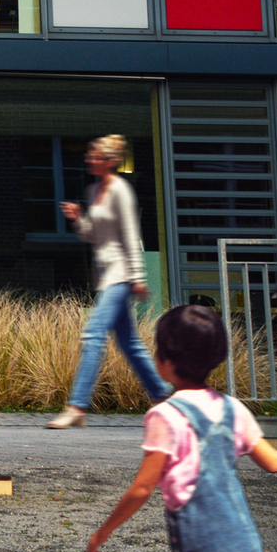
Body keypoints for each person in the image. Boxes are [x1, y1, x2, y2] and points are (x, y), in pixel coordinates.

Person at [87, 305, 277, 552]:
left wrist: (104, 531)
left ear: (167, 361)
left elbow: (142, 487)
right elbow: (274, 462)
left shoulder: (165, 416)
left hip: (202, 548)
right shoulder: (233, 408)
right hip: (243, 546)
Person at [48, 134, 169, 429]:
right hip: (105, 275)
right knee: (129, 343)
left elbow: (130, 235)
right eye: (90, 156)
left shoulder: (120, 191)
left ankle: (77, 406)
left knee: (93, 335)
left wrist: (138, 278)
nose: (91, 160)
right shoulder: (93, 191)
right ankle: (163, 396)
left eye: (97, 157)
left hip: (121, 275)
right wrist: (78, 219)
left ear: (112, 162)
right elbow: (93, 236)